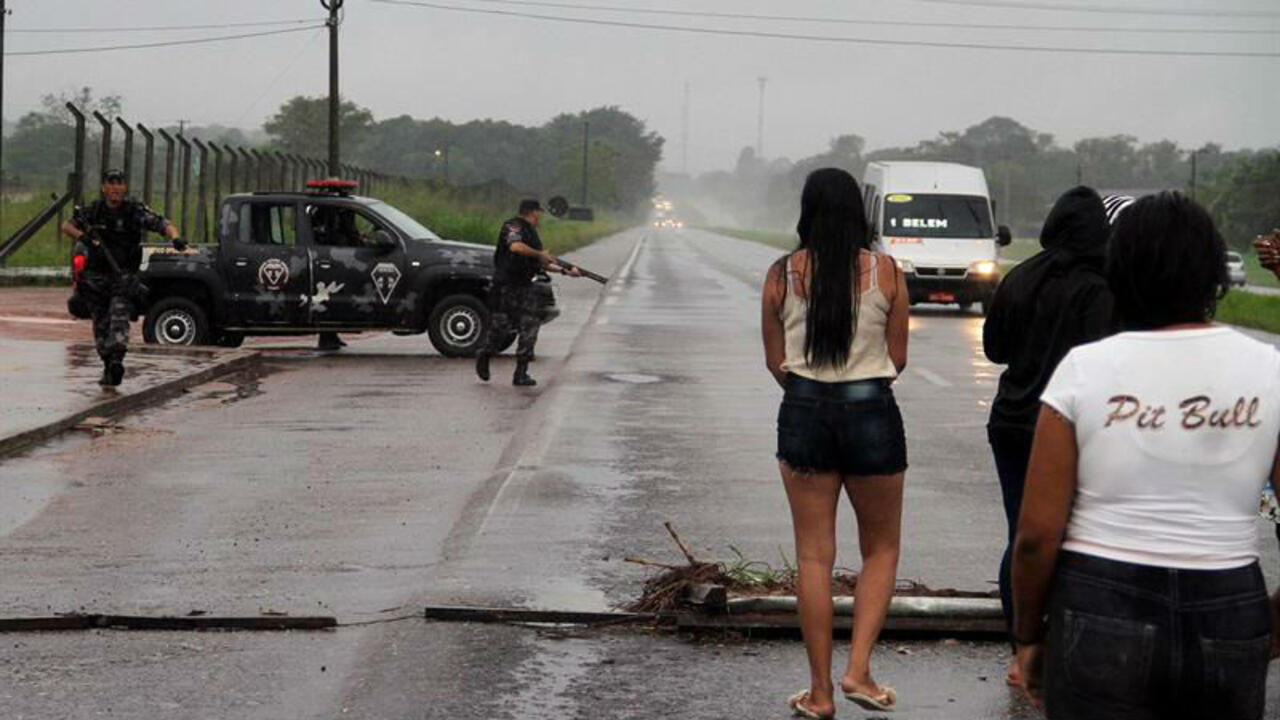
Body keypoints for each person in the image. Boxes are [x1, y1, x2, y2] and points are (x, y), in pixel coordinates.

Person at [1013, 191, 1279, 720]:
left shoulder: (1084, 370)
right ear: (1213, 276)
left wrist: (1027, 634)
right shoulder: (1269, 370)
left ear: (1121, 271)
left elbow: (1037, 537)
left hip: (1100, 601)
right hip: (1228, 599)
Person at [761, 168, 910, 718]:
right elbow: (897, 359)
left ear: (807, 211)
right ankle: (859, 671)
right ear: (859, 212)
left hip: (802, 409)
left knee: (814, 556)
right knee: (881, 548)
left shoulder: (781, 273)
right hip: (871, 409)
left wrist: (809, 392)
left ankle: (820, 692)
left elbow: (773, 357)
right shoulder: (887, 272)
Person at [981, 186, 1114, 683]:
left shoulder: (1020, 276)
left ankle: (1021, 645)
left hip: (1012, 422)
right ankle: (1063, 641)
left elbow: (994, 349)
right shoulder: (1102, 287)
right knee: (1076, 536)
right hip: (1072, 429)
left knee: (1023, 533)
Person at [61, 169, 182, 386]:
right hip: (96, 279)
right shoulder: (93, 211)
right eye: (111, 183)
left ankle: (117, 360)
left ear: (124, 188)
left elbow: (163, 224)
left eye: (119, 183)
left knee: (119, 319)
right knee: (100, 327)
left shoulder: (133, 211)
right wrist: (85, 237)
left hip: (122, 277)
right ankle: (108, 364)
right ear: (104, 188)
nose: (115, 187)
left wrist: (176, 239)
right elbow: (67, 226)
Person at [475, 199, 579, 387]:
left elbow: (541, 263)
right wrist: (540, 254)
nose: (540, 216)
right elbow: (516, 247)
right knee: (500, 330)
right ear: (532, 212)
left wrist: (566, 270)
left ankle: (521, 373)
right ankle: (484, 354)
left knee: (530, 326)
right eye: (538, 212)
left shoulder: (532, 233)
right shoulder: (513, 226)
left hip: (524, 287)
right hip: (505, 287)